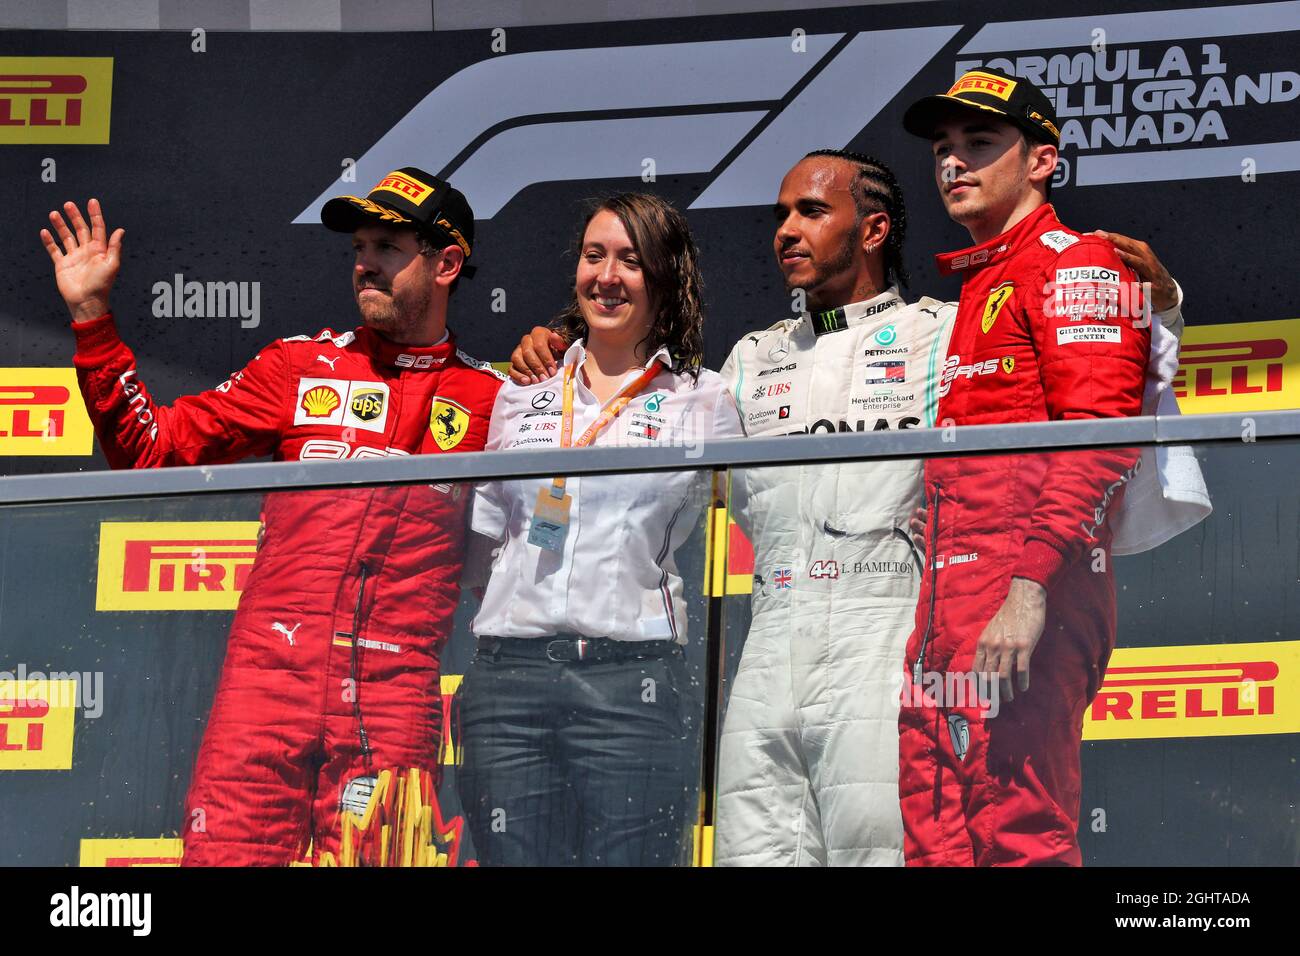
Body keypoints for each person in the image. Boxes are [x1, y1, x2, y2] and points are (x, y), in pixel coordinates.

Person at [511, 152, 1184, 866]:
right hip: (768, 647)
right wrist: (558, 349)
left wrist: (1158, 305)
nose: (785, 231)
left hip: (888, 639)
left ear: (873, 229)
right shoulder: (749, 357)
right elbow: (642, 405)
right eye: (779, 216)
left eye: (810, 211)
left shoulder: (947, 333)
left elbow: (1090, 388)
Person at [40, 168, 505, 866]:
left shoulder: (496, 401)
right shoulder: (299, 366)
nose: (365, 263)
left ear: (447, 263)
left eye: (387, 246)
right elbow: (152, 450)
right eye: (358, 248)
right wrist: (92, 322)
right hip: (265, 690)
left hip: (393, 700)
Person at [896, 67, 1158, 865]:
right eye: (944, 148)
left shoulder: (1077, 264)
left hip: (1022, 599)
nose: (953, 163)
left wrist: (1027, 589)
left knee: (1020, 837)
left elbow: (1100, 439)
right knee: (935, 840)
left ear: (1043, 161)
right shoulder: (981, 285)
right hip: (947, 608)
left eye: (980, 144)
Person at [457, 193, 743, 866]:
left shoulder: (704, 401)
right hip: (508, 690)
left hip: (632, 689)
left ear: (665, 280)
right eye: (594, 257)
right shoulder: (519, 391)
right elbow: (482, 551)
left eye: (631, 261)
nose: (606, 277)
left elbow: (757, 519)